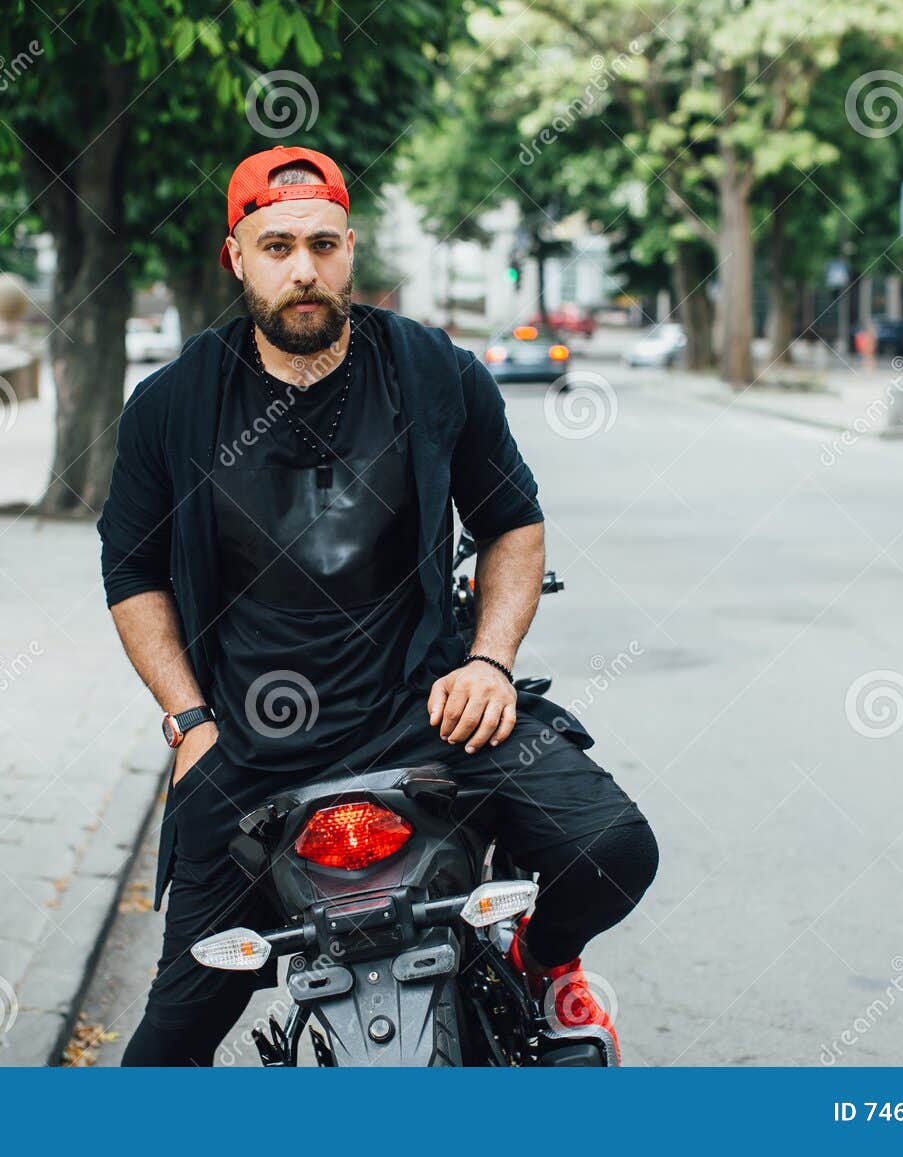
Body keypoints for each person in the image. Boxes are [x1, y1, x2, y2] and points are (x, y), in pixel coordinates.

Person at [97, 145, 659, 1066]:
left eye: (323, 243)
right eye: (276, 246)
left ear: (350, 249)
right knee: (166, 1046)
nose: (303, 269)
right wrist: (188, 718)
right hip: (247, 746)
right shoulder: (173, 405)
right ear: (236, 257)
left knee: (613, 847)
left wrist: (489, 662)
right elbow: (132, 573)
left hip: (428, 713)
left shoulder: (432, 371)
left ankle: (542, 955)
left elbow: (513, 524)